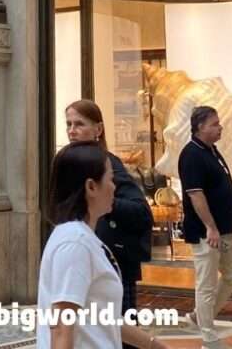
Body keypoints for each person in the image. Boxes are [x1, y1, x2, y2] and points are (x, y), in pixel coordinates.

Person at [38, 141, 169, 349]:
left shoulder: (83, 237)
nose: (114, 187)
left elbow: (105, 318)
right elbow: (62, 328)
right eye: (110, 179)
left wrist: (154, 345)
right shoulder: (74, 243)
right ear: (91, 186)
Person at [64, 99, 152, 312]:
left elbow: (140, 211)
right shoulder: (70, 162)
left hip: (112, 263)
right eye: (69, 124)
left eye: (79, 124)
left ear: (98, 129)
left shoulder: (107, 163)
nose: (72, 131)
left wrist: (102, 199)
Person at [178, 106, 232, 349]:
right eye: (215, 124)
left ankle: (199, 317)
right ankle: (209, 337)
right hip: (207, 232)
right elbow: (196, 195)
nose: (220, 127)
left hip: (226, 229)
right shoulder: (191, 155)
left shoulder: (211, 150)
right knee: (205, 284)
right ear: (200, 127)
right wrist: (211, 227)